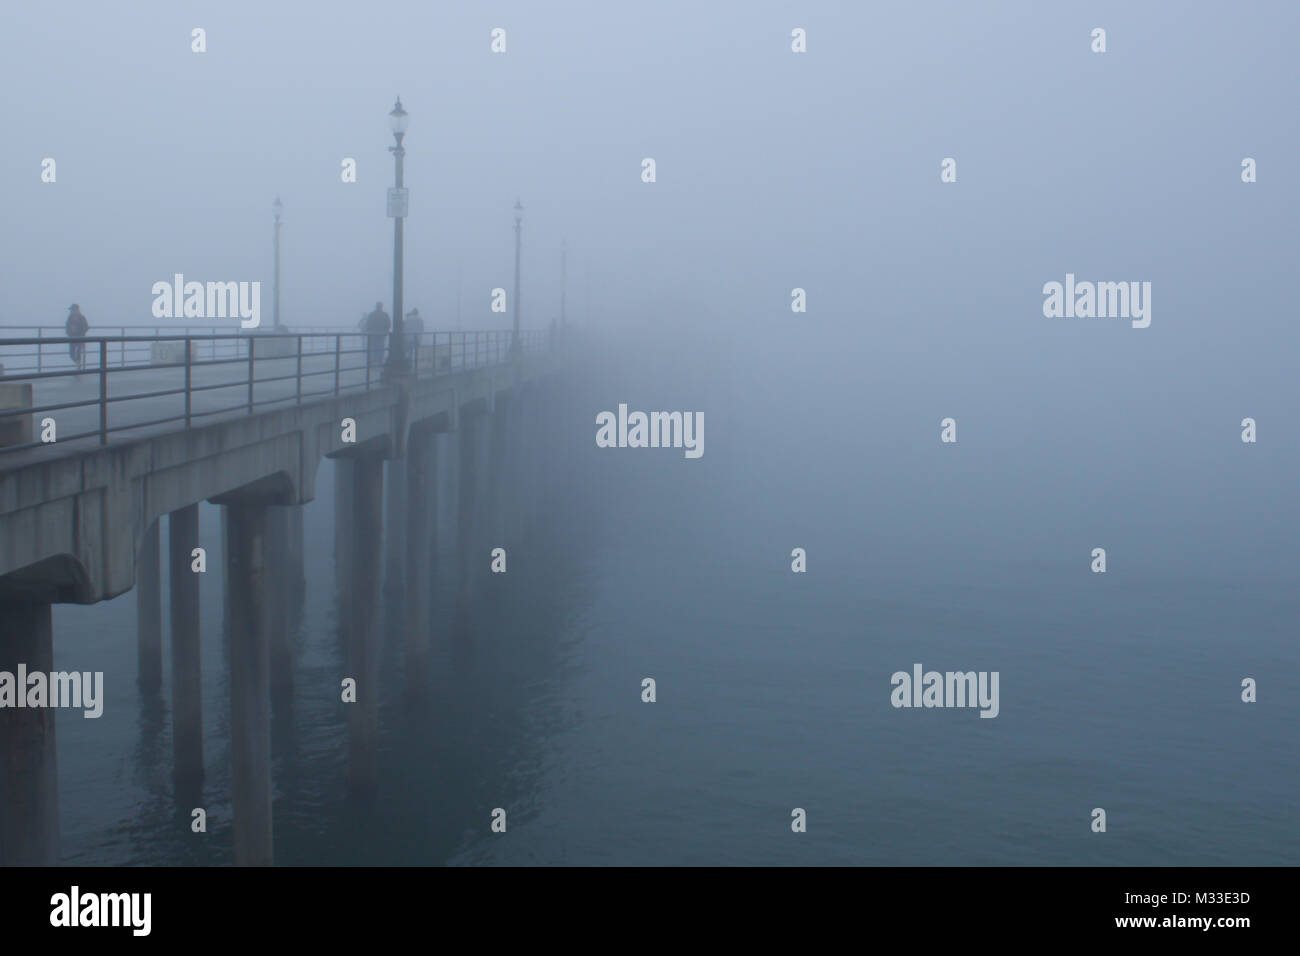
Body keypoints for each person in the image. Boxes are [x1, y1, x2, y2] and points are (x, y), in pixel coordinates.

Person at [364, 301, 389, 366]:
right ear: (381, 306)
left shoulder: (371, 314)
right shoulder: (385, 315)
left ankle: (373, 360)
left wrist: (369, 331)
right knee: (381, 347)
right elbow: (388, 324)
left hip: (373, 334)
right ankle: (379, 361)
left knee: (373, 347)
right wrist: (386, 331)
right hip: (381, 334)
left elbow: (368, 324)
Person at [65, 304, 89, 369]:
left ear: (77, 310)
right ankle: (78, 363)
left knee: (78, 352)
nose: (71, 311)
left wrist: (79, 332)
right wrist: (70, 332)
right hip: (72, 338)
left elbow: (86, 327)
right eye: (71, 310)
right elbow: (67, 327)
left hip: (80, 338)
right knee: (71, 354)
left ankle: (78, 365)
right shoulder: (70, 318)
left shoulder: (82, 317)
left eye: (72, 310)